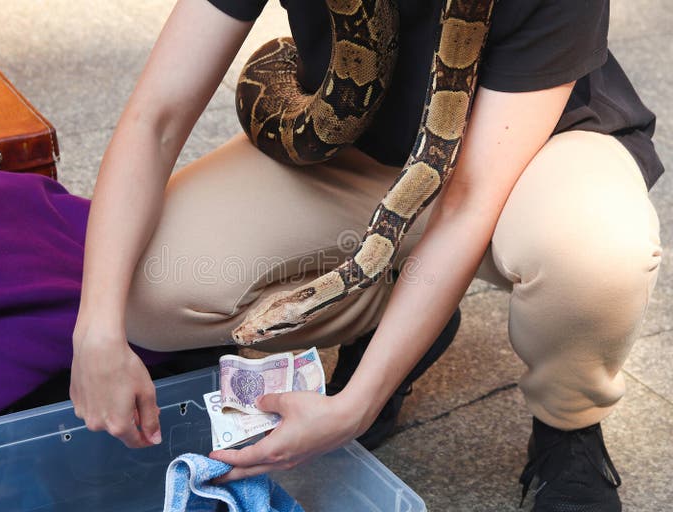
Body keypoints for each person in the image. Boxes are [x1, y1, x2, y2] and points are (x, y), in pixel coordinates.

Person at [68, 1, 664, 510]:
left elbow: (469, 197)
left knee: (594, 256)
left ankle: (568, 423)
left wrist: (356, 406)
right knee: (145, 289)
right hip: (360, 153)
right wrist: (95, 331)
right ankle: (396, 322)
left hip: (528, 156)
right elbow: (156, 117)